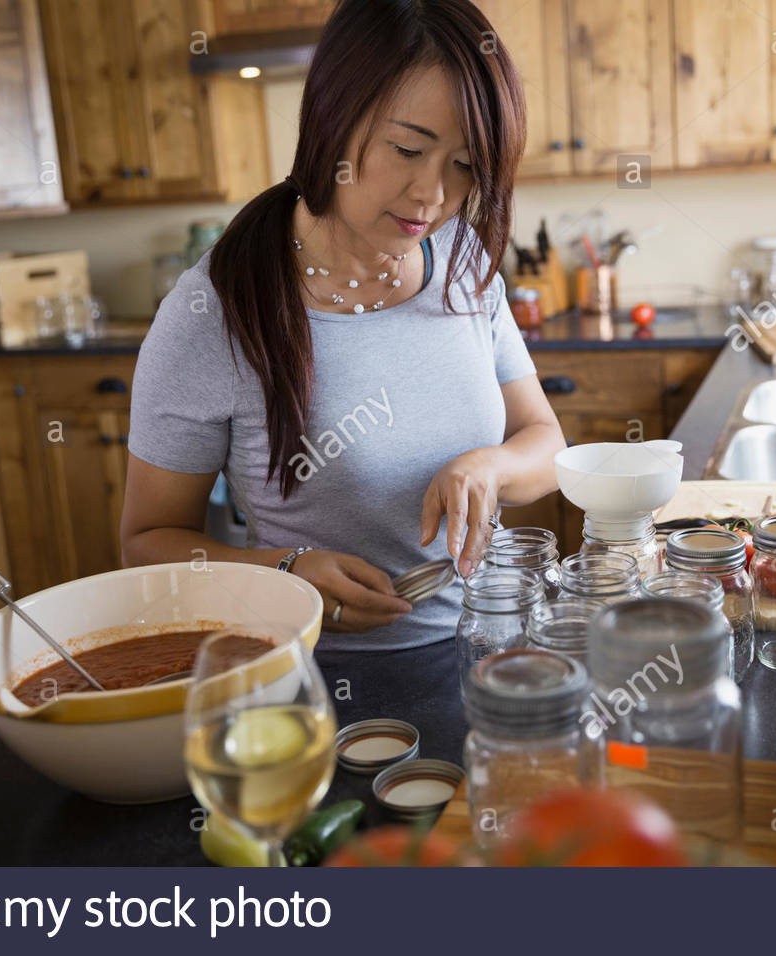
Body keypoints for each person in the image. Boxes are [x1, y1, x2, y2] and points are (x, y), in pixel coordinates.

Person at [121, 0, 565, 651]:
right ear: (334, 114)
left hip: (486, 650)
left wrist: (490, 468)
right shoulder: (213, 312)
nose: (432, 195)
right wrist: (286, 572)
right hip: (314, 681)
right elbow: (145, 545)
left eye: (466, 165)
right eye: (407, 148)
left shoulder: (462, 260)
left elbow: (546, 441)